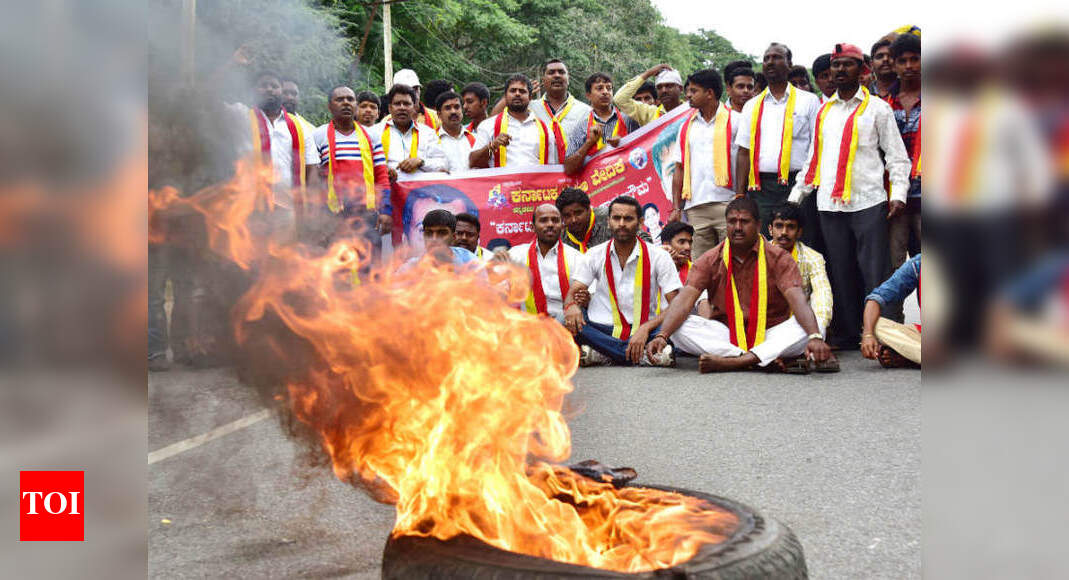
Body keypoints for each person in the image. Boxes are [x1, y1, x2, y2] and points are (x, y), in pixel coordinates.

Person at [788, 43, 911, 349]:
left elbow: (897, 157)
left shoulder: (877, 108)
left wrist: (898, 194)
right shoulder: (824, 111)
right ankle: (847, 333)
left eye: (847, 64)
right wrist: (794, 199)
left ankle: (883, 334)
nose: (839, 70)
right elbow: (813, 160)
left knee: (875, 271)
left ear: (862, 69)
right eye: (836, 65)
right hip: (829, 202)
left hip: (868, 200)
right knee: (839, 271)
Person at [646, 198, 834, 373]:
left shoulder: (778, 258)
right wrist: (662, 336)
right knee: (679, 326)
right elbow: (685, 299)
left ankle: (736, 361)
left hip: (771, 331)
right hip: (726, 334)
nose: (737, 227)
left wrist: (814, 337)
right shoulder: (710, 258)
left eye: (744, 222)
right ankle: (762, 358)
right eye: (732, 222)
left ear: (758, 225)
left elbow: (797, 299)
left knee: (815, 324)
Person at [563, 196, 681, 366]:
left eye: (628, 218)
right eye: (616, 218)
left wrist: (645, 328)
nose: (621, 224)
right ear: (609, 221)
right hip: (602, 328)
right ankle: (642, 356)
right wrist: (571, 306)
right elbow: (572, 293)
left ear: (640, 222)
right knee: (568, 323)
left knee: (679, 325)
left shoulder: (659, 256)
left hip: (648, 328)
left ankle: (605, 354)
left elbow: (675, 305)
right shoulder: (594, 255)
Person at [735, 43, 823, 251]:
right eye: (766, 58)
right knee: (765, 244)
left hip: (800, 184)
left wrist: (805, 185)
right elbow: (743, 152)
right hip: (761, 188)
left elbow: (817, 146)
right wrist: (740, 195)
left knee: (803, 242)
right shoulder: (752, 105)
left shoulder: (808, 101)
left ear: (789, 64)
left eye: (777, 57)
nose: (770, 62)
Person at [669, 69, 740, 259]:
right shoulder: (686, 126)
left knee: (732, 262)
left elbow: (746, 162)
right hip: (696, 207)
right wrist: (677, 208)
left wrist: (741, 198)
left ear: (709, 93)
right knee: (702, 267)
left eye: (693, 91)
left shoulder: (736, 121)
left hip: (728, 203)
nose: (688, 95)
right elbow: (679, 168)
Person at [230, 69, 319, 213]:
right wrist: (234, 63)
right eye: (263, 85)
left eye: (274, 86)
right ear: (254, 90)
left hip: (290, 208)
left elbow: (312, 170)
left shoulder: (301, 126)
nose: (269, 89)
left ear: (281, 91)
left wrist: (313, 210)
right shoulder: (241, 117)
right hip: (249, 208)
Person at [310, 86, 392, 240]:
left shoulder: (371, 136)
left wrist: (386, 211)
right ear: (329, 106)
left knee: (369, 260)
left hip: (366, 214)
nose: (346, 103)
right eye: (340, 99)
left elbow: (381, 176)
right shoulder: (318, 135)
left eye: (350, 99)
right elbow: (314, 180)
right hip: (333, 215)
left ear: (355, 105)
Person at [508, 204, 584, 323]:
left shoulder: (576, 258)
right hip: (526, 324)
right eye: (543, 220)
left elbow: (588, 295)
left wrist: (585, 298)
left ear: (562, 226)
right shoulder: (515, 255)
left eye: (555, 220)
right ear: (533, 227)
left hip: (565, 324)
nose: (550, 224)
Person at [470, 74, 565, 169]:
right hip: (501, 183)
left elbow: (550, 170)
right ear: (505, 96)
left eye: (522, 91)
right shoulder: (488, 126)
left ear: (530, 97)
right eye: (513, 90)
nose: (517, 94)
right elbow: (473, 162)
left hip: (535, 183)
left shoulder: (546, 131)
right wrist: (492, 147)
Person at [767, 203, 833, 339]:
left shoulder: (813, 258)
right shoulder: (757, 255)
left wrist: (817, 331)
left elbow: (822, 296)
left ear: (799, 232)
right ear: (770, 229)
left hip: (798, 324)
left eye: (790, 227)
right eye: (779, 226)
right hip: (764, 322)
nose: (784, 232)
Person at [886, 33, 922, 269]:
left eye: (915, 59)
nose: (909, 66)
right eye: (902, 60)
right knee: (894, 267)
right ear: (894, 64)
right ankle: (892, 309)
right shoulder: (883, 101)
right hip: (893, 200)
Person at [563, 73, 639, 175]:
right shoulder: (582, 127)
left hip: (628, 182)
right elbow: (568, 169)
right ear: (588, 95)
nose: (605, 92)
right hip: (598, 187)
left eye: (609, 88)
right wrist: (589, 143)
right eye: (599, 88)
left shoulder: (629, 119)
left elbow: (643, 149)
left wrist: (623, 144)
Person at [372, 84, 448, 180]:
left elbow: (443, 164)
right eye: (397, 104)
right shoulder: (375, 132)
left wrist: (421, 162)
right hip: (386, 191)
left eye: (407, 104)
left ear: (414, 107)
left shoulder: (428, 134)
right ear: (390, 108)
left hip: (420, 192)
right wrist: (382, 171)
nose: (402, 107)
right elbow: (366, 164)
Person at [861, 254, 921, 367]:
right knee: (877, 325)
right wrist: (868, 334)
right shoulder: (918, 264)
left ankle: (910, 359)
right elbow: (875, 299)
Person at [555, 187, 651, 253]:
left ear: (589, 209)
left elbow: (642, 238)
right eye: (567, 216)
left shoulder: (609, 217)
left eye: (578, 213)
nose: (574, 220)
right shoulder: (561, 237)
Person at [401, 184, 480, 253]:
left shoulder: (477, 266)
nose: (436, 239)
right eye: (427, 231)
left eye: (443, 232)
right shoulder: (407, 268)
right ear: (405, 241)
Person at [531, 59, 592, 139]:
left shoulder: (586, 112)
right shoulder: (530, 109)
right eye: (551, 72)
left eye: (561, 72)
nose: (557, 75)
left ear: (568, 79)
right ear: (543, 80)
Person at [401, 209, 480, 270]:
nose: (434, 239)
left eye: (441, 233)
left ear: (454, 237)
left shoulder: (470, 263)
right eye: (429, 233)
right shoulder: (411, 268)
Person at [613, 63, 686, 126]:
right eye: (659, 87)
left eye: (669, 86)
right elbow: (619, 99)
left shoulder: (690, 110)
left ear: (680, 89)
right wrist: (647, 74)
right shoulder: (651, 114)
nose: (664, 90)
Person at [435, 91, 475, 174]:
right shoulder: (431, 140)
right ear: (439, 114)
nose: (453, 111)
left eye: (457, 107)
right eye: (448, 108)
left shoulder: (475, 139)